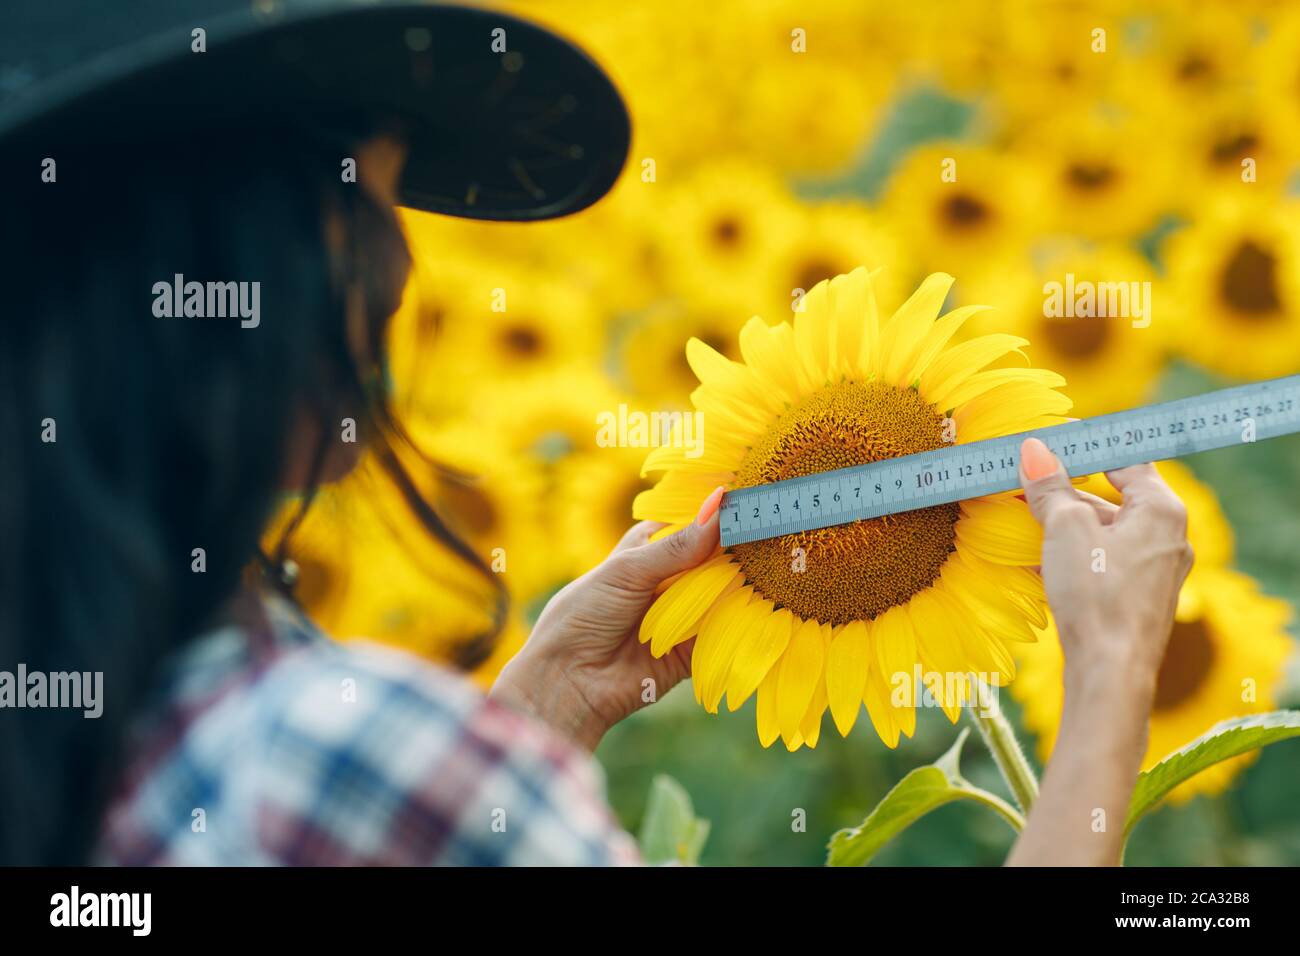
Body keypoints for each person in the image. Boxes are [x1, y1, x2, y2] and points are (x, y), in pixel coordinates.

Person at [0, 1, 1193, 867]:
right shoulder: (334, 747)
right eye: (364, 195)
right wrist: (1107, 686)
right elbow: (344, 787)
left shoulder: (94, 722)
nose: (403, 263)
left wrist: (535, 714)